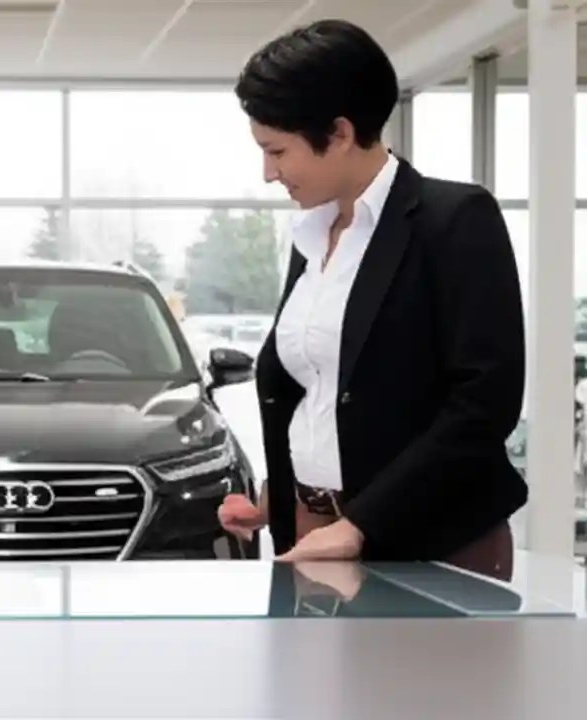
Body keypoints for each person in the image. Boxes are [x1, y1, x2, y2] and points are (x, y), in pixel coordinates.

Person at [217, 20, 526, 581]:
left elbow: (484, 403)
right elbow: (323, 391)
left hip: (429, 540)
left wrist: (359, 524)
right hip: (313, 532)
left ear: (339, 133)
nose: (268, 173)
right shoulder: (314, 237)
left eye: (277, 151)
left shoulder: (453, 220)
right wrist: (277, 495)